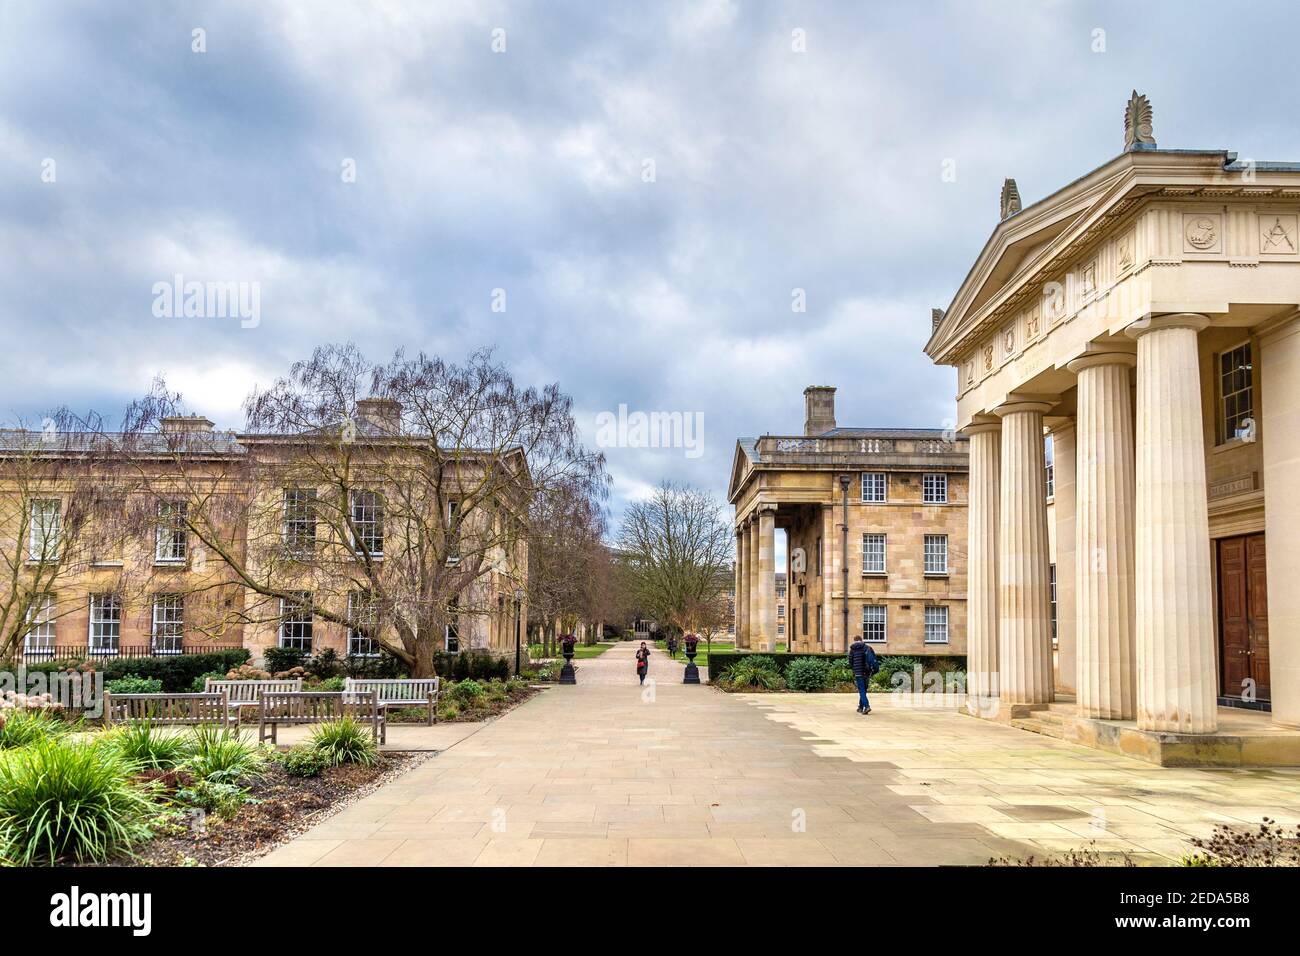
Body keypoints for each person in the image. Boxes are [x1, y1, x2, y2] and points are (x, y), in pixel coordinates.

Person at [847, 634, 878, 715]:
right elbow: (873, 659)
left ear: (854, 640)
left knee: (861, 690)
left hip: (858, 673)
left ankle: (867, 706)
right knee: (864, 690)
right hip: (867, 672)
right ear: (861, 640)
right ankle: (860, 707)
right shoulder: (867, 647)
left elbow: (850, 662)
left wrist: (854, 668)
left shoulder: (852, 650)